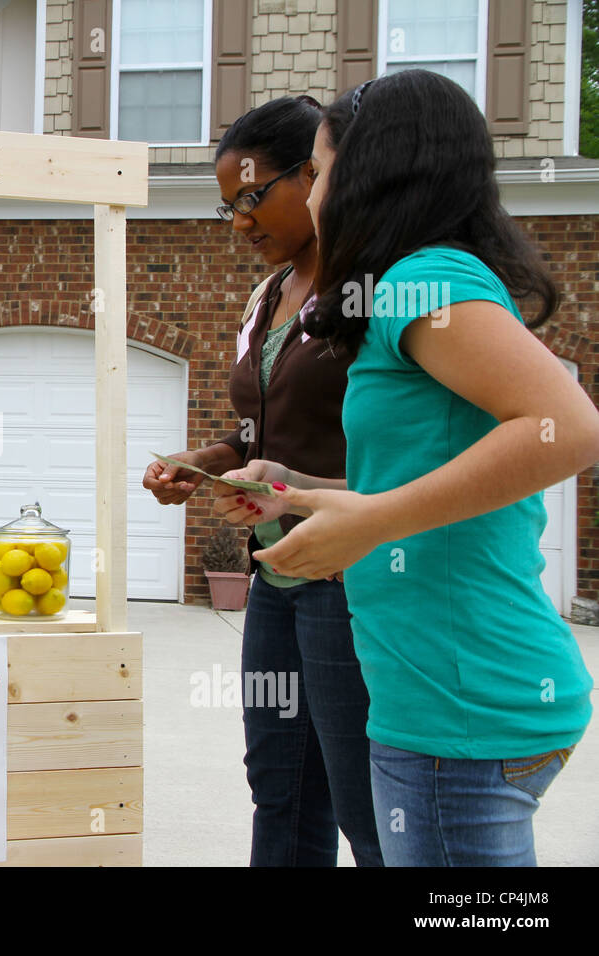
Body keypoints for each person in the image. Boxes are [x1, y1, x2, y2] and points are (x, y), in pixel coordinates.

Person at [217, 70, 597, 865]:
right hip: (435, 695)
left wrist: (373, 522)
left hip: (459, 701)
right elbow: (421, 478)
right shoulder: (398, 287)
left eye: (316, 173)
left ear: (370, 168)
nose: (313, 196)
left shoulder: (422, 279)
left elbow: (568, 428)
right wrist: (311, 491)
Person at [143, 96, 381, 866]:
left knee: (363, 801)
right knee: (278, 783)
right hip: (275, 571)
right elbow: (257, 432)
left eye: (252, 196)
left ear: (314, 173)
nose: (240, 220)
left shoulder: (376, 287)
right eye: (227, 208)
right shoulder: (267, 296)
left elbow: (410, 448)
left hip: (352, 572)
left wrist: (308, 488)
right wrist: (203, 464)